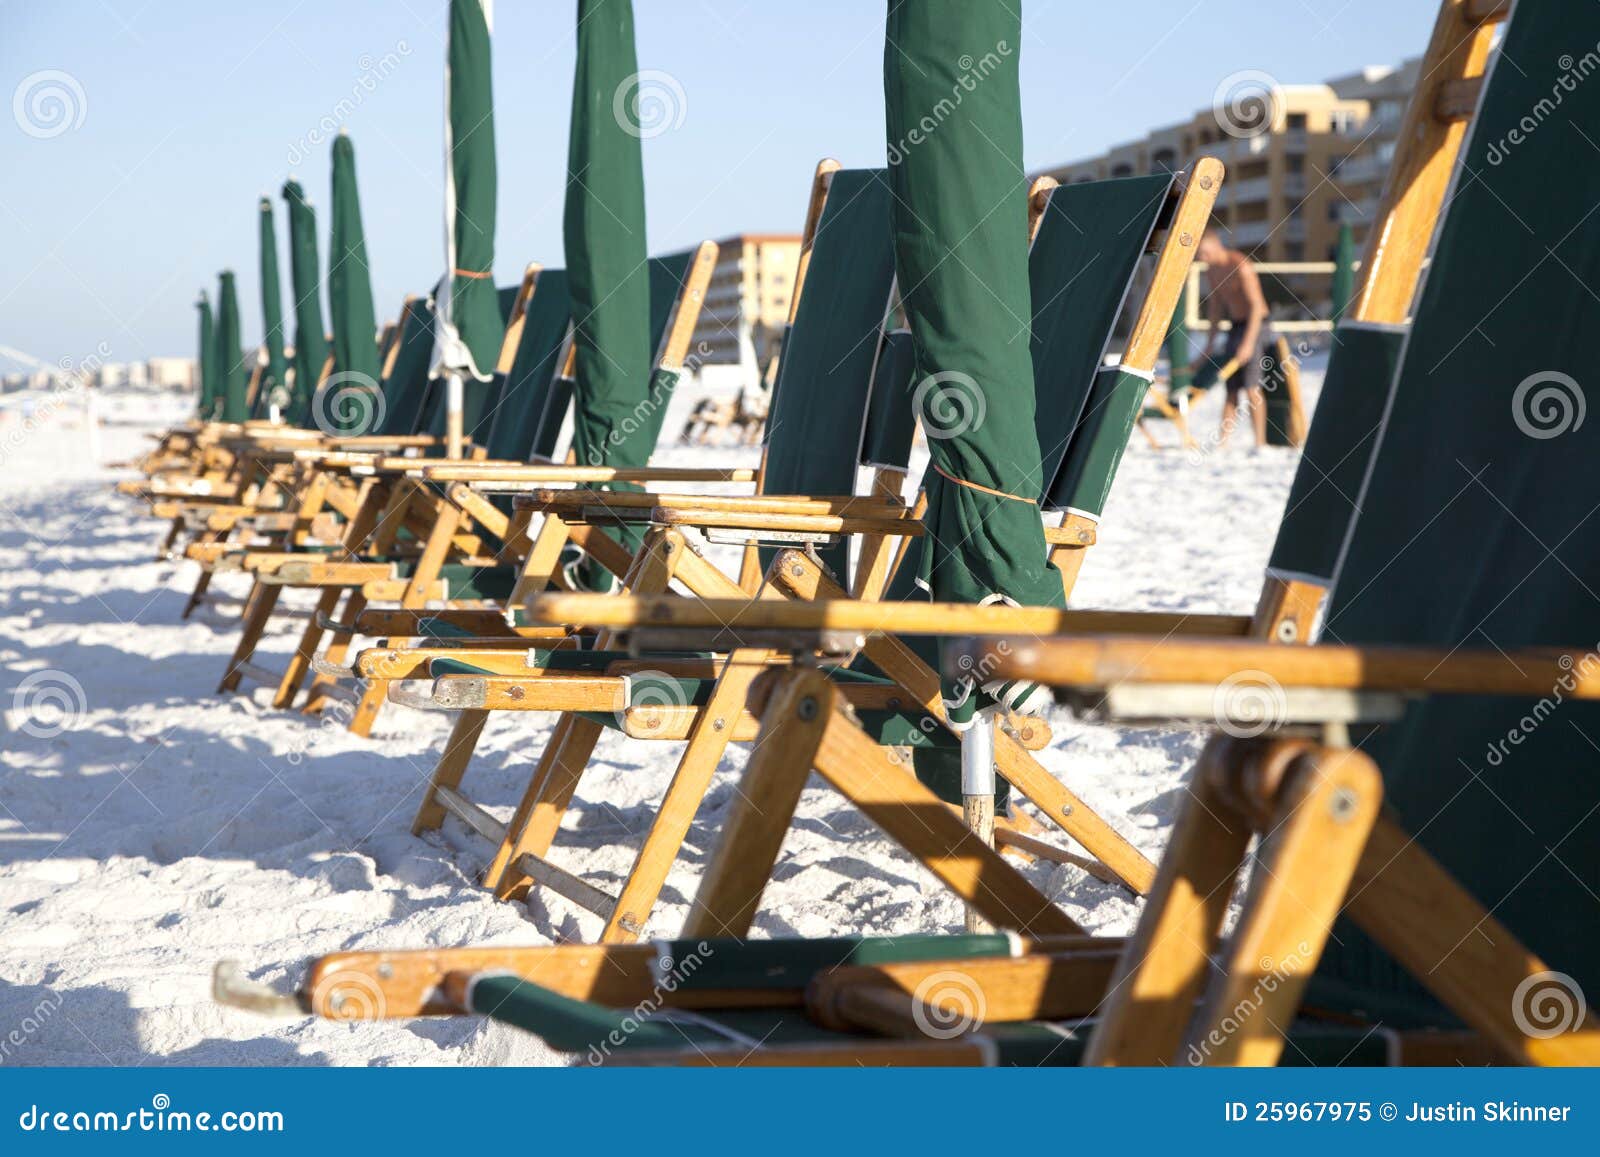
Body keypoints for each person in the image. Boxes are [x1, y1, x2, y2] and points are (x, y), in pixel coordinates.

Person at [1198, 228, 1271, 446]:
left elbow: (1257, 308)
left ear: (1217, 245)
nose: (1202, 258)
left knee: (1251, 386)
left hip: (1257, 324)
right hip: (1236, 325)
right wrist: (1209, 345)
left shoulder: (1240, 265)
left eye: (1204, 253)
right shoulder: (1211, 270)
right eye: (1199, 255)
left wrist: (1248, 344)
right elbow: (1216, 309)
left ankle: (1260, 442)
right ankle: (1224, 442)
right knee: (1230, 386)